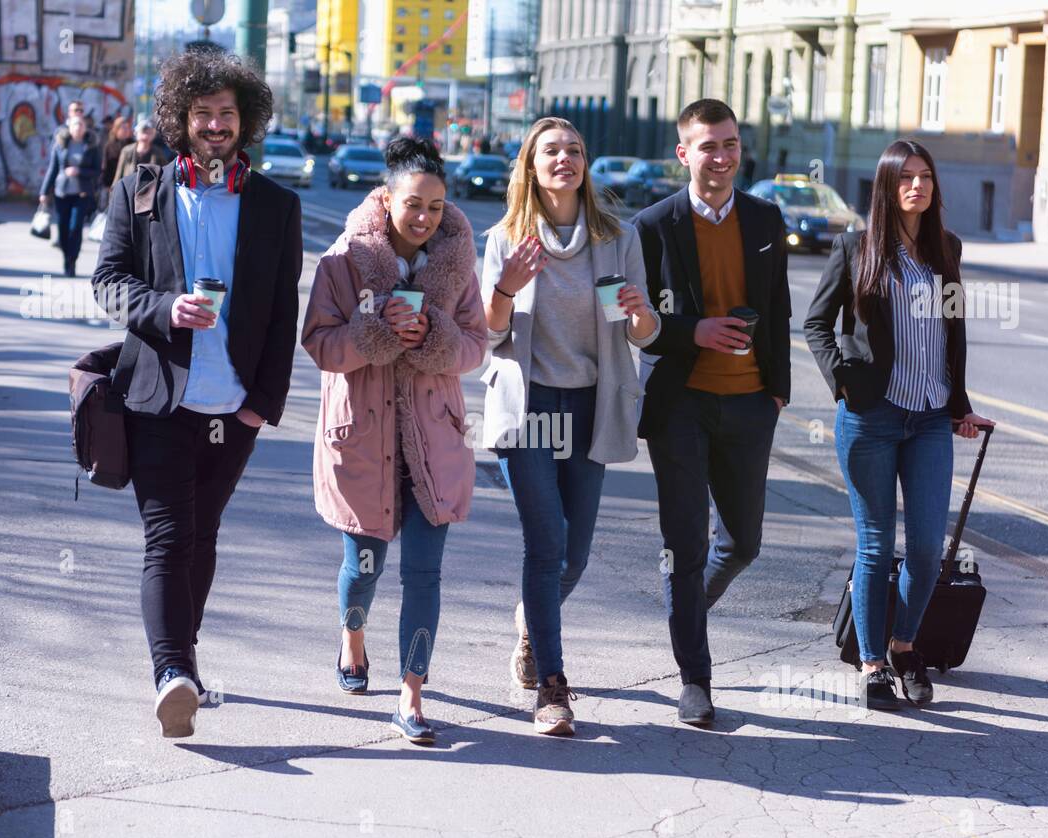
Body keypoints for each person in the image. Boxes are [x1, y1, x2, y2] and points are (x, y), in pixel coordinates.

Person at [91, 48, 303, 738]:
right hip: (158, 398)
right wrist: (162, 309)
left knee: (202, 536)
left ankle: (184, 659)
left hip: (232, 409)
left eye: (227, 114)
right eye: (203, 113)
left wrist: (259, 404)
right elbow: (109, 280)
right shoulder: (141, 192)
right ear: (181, 119)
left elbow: (280, 315)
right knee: (168, 538)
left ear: (245, 122)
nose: (215, 125)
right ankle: (172, 673)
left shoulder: (276, 205)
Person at [301, 137, 487, 745]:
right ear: (386, 199)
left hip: (433, 441)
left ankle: (412, 695)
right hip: (364, 437)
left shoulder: (458, 266)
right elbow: (320, 343)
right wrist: (376, 331)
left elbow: (476, 346)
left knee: (425, 574)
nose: (424, 217)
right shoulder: (344, 259)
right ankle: (352, 640)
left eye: (435, 206)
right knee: (364, 566)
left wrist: (435, 334)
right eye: (413, 203)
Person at [480, 117, 659, 736]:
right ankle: (552, 687)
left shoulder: (617, 237)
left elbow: (642, 332)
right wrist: (505, 287)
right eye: (552, 151)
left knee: (575, 555)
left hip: (590, 403)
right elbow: (489, 333)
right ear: (531, 165)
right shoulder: (507, 238)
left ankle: (532, 625)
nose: (566, 159)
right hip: (530, 406)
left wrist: (640, 315)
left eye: (575, 151)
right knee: (547, 540)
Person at [803, 140, 995, 710]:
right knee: (875, 544)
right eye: (905, 177)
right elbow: (816, 324)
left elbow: (952, 335)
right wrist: (843, 382)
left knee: (928, 548)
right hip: (872, 416)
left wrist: (959, 404)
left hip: (932, 419)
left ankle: (904, 647)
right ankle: (870, 664)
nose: (917, 186)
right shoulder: (856, 249)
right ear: (887, 187)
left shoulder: (947, 251)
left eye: (925, 177)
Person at [632, 99, 791, 726]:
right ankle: (694, 678)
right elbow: (635, 322)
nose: (721, 157)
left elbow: (776, 309)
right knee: (685, 544)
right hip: (681, 404)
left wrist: (776, 391)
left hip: (751, 404)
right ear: (683, 153)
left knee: (744, 542)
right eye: (707, 146)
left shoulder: (766, 219)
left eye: (729, 144)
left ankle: (687, 608)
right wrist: (691, 330)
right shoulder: (652, 226)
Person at [39, 114, 101, 277]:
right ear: (69, 127)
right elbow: (52, 169)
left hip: (81, 194)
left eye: (81, 124)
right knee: (62, 229)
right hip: (62, 193)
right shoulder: (61, 144)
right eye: (75, 124)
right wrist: (44, 191)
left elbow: (96, 171)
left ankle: (72, 261)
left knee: (75, 228)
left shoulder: (91, 146)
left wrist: (79, 171)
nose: (78, 127)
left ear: (85, 128)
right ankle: (66, 257)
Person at [113, 117, 172, 184]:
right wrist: (114, 191)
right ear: (136, 133)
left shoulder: (158, 152)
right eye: (143, 132)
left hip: (150, 190)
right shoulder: (126, 151)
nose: (145, 136)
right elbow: (119, 174)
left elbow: (165, 175)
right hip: (130, 190)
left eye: (149, 132)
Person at [100, 114, 135, 210]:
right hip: (112, 182)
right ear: (116, 129)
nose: (125, 130)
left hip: (129, 182)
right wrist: (106, 184)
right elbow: (106, 165)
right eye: (123, 128)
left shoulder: (134, 144)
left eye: (127, 128)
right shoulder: (110, 146)